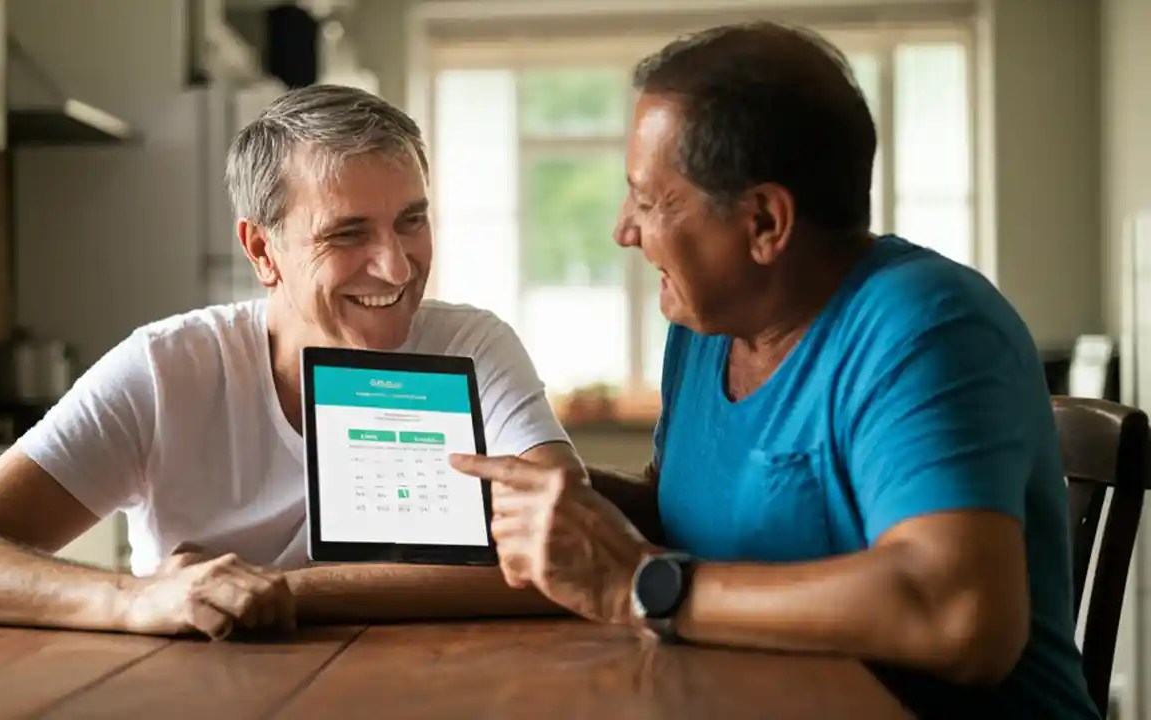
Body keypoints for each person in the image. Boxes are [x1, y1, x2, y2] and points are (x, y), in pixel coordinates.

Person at [451, 22, 1099, 718]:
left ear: (764, 221)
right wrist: (533, 493)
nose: (623, 230)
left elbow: (957, 616)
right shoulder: (706, 326)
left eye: (648, 200)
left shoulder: (928, 327)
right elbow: (690, 512)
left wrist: (645, 585)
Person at [0, 85, 582, 640]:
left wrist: (288, 590)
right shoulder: (166, 370)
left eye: (411, 221)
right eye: (348, 233)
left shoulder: (474, 348)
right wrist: (135, 599)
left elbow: (576, 549)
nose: (397, 267)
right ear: (261, 250)